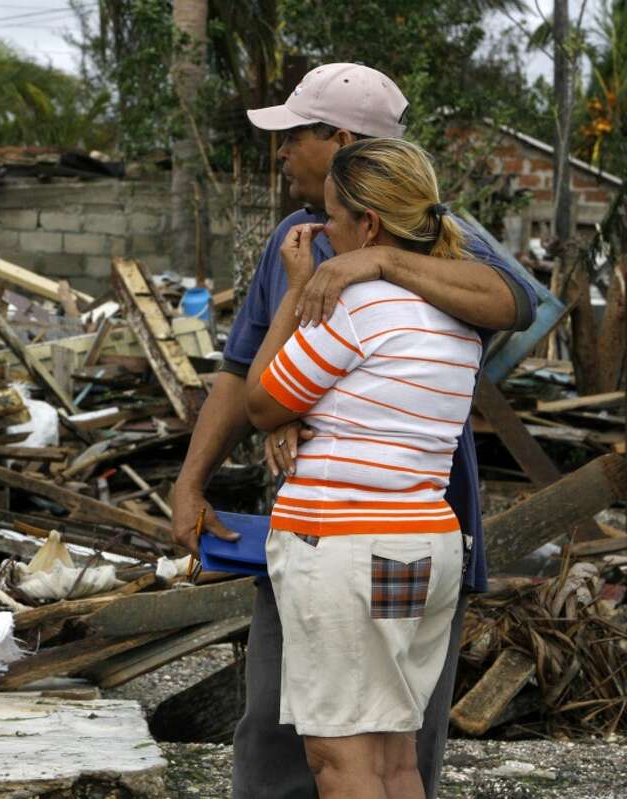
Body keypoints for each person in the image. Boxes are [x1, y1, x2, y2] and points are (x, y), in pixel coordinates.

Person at [169, 63, 537, 798]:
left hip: (344, 538)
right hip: (395, 529)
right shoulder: (298, 238)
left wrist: (376, 261)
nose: (279, 153)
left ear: (339, 143)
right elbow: (243, 372)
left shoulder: (436, 244)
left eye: (292, 136)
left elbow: (516, 301)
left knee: (352, 756)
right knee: (334, 742)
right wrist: (190, 480)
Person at [247, 137, 477, 798]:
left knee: (340, 760)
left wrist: (294, 291)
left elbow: (262, 401)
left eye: (330, 219)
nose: (321, 234)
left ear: (369, 225)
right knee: (393, 756)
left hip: (345, 546)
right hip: (420, 544)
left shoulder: (358, 305)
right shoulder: (456, 311)